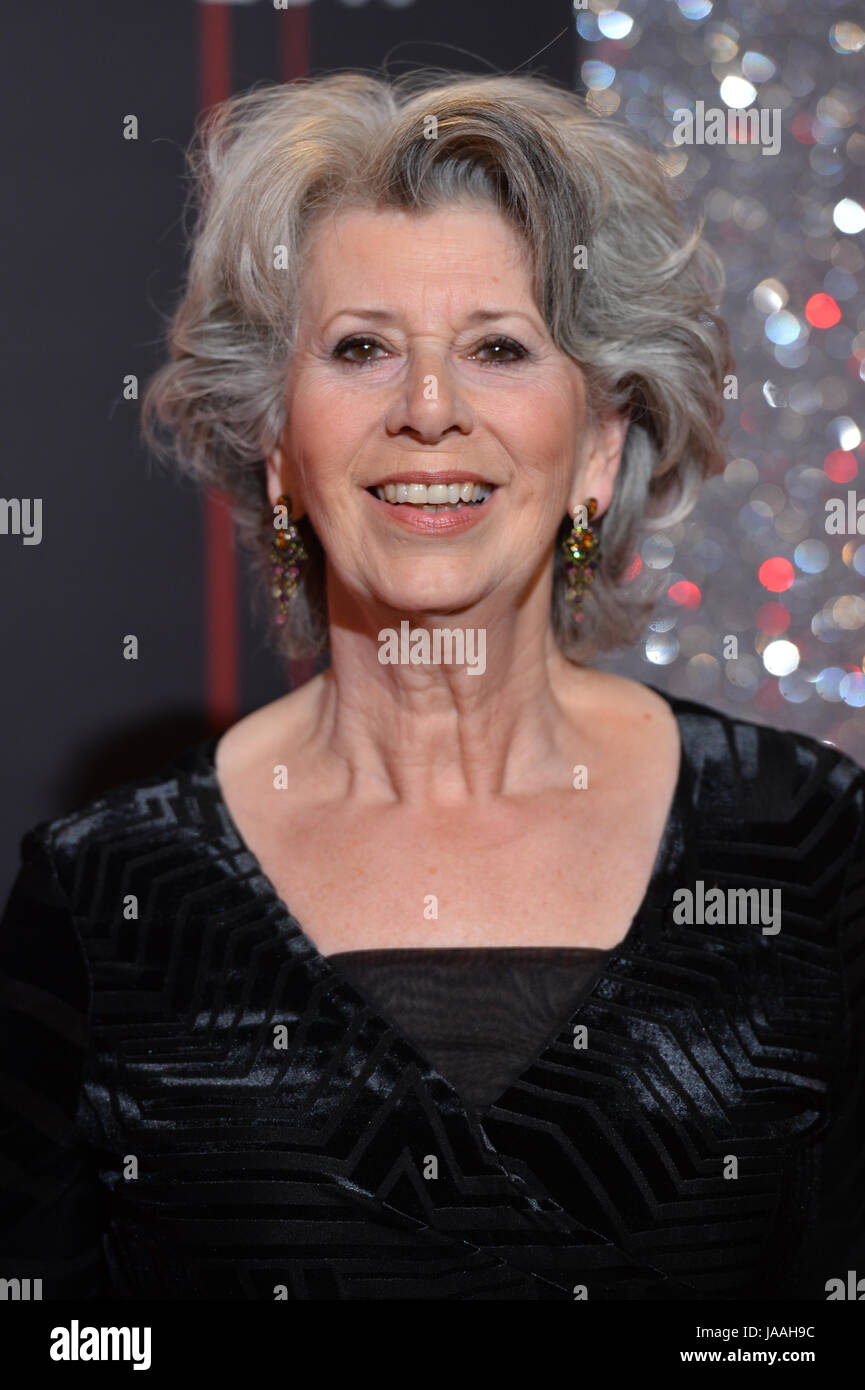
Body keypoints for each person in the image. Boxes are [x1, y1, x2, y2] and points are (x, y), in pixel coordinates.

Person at [1, 70, 862, 1302]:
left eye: (498, 349)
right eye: (361, 349)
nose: (427, 411)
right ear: (276, 440)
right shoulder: (103, 896)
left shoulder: (809, 848)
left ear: (600, 445)